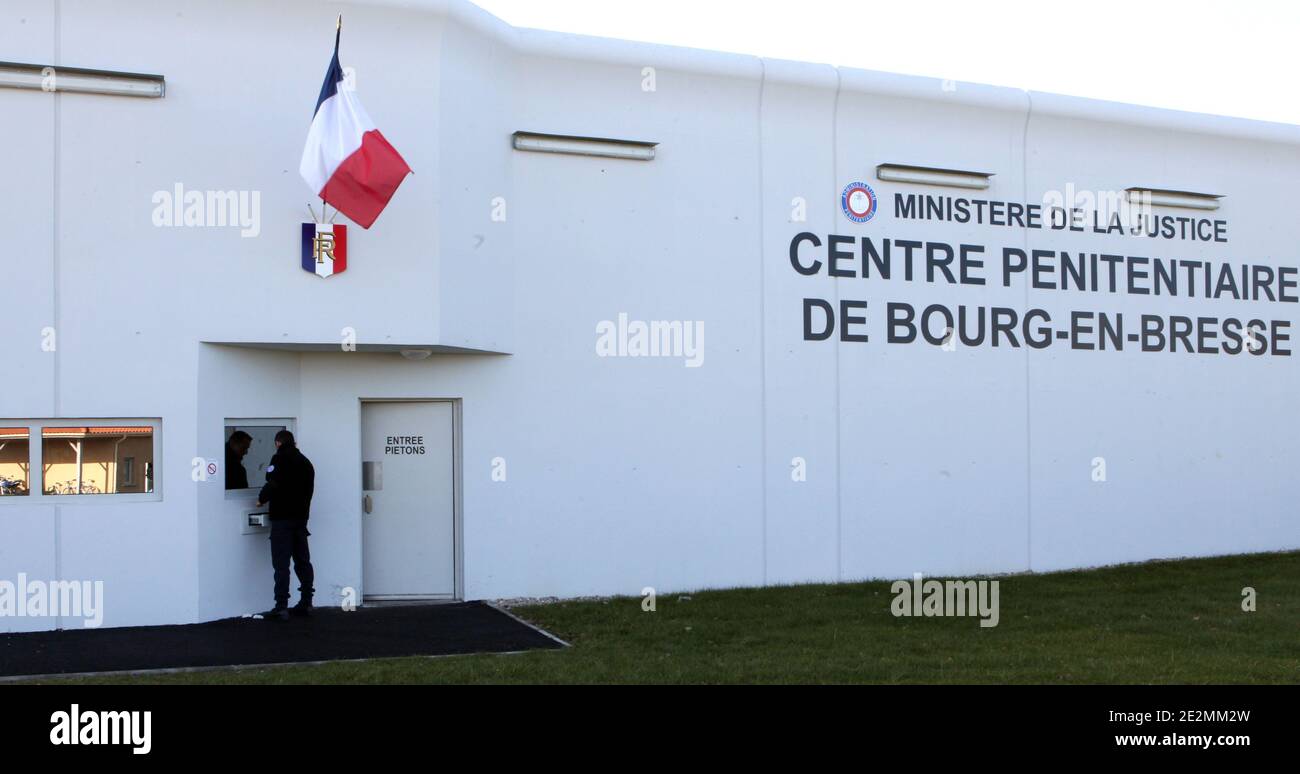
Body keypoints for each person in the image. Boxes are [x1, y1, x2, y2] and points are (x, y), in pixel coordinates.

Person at [256, 430, 315, 621]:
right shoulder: (306, 462)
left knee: (281, 564)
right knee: (302, 561)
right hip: (301, 518)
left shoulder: (279, 459)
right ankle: (306, 601)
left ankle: (281, 606)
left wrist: (261, 499)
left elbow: (272, 483)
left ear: (278, 443)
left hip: (282, 519)